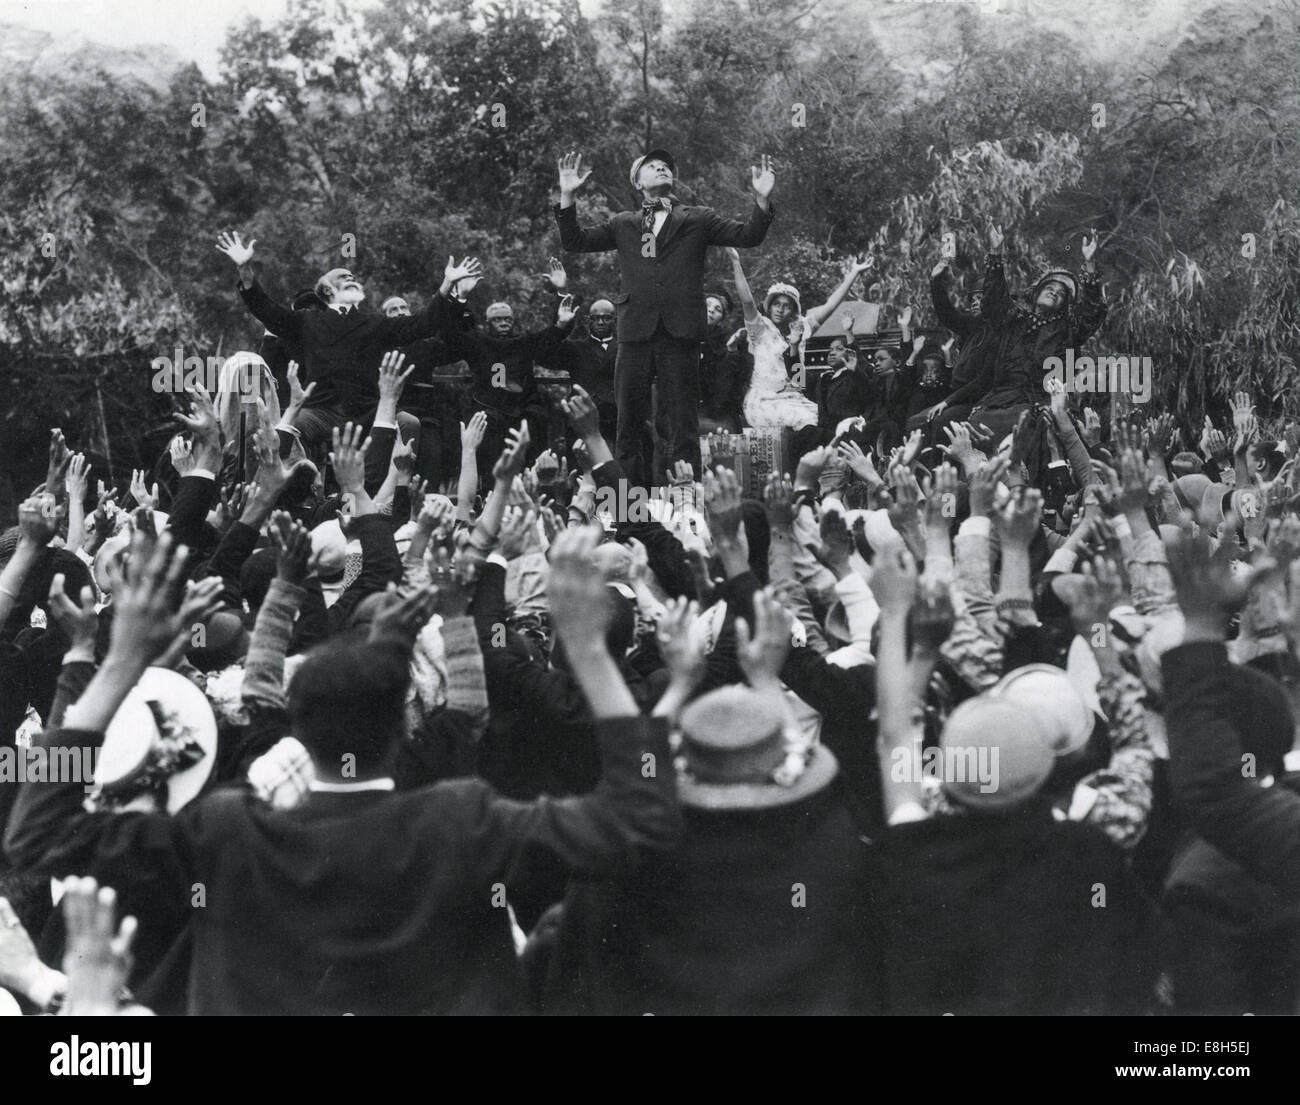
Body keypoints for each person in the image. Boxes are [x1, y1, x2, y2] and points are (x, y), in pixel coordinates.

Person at [3, 524, 683, 1015]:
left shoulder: (229, 830)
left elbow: (35, 837)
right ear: (398, 724)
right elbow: (641, 814)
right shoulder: (461, 817)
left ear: (294, 717)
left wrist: (112, 662)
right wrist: (588, 651)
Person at [554, 148, 776, 487]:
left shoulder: (698, 217)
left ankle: (686, 504)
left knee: (683, 424)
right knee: (627, 425)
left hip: (681, 333)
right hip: (635, 333)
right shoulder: (624, 223)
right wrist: (567, 195)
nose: (661, 168)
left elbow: (748, 235)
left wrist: (761, 201)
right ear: (638, 182)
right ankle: (628, 509)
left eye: (666, 167)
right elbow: (575, 241)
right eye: (652, 166)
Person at [215, 231, 482, 453]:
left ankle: (391, 499)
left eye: (353, 278)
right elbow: (267, 310)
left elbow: (423, 323)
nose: (351, 279)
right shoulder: (307, 321)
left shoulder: (375, 323)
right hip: (320, 412)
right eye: (344, 278)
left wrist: (448, 285)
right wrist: (245, 271)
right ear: (328, 290)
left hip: (366, 413)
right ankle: (304, 495)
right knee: (289, 431)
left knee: (409, 424)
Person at [726, 248, 873, 432]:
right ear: (770, 307)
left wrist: (854, 272)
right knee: (806, 422)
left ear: (793, 311)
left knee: (826, 420)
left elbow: (830, 305)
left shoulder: (800, 328)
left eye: (786, 306)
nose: (780, 310)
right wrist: (736, 262)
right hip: (764, 400)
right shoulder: (759, 327)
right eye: (777, 304)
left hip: (794, 398)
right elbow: (747, 301)